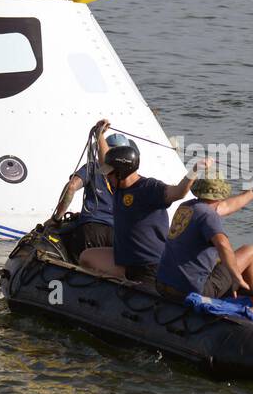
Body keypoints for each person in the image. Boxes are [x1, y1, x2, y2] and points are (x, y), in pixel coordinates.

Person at [78, 144, 210, 283]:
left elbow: (178, 192)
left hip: (149, 264)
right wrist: (100, 136)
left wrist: (195, 170)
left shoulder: (149, 188)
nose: (106, 178)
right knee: (87, 258)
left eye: (109, 173)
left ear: (121, 172)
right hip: (125, 261)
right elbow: (105, 160)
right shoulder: (118, 185)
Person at [155, 171, 253, 316]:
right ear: (220, 195)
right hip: (193, 291)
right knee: (250, 252)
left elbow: (228, 206)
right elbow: (223, 244)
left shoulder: (187, 207)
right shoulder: (208, 215)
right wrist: (236, 277)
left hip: (164, 286)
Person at [50, 119, 129, 261]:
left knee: (78, 265)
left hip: (91, 230)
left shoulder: (92, 167)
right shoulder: (130, 177)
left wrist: (57, 219)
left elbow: (71, 187)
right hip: (117, 235)